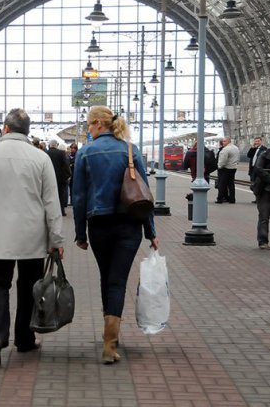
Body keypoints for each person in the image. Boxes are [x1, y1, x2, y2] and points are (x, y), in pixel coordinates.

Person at [0, 108, 64, 368]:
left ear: (5, 129)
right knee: (30, 284)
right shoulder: (40, 158)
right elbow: (52, 202)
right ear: (26, 132)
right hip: (32, 235)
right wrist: (57, 240)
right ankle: (25, 339)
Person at [72, 106, 158, 364]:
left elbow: (78, 197)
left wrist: (79, 233)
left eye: (89, 124)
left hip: (99, 225)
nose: (89, 129)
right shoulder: (130, 150)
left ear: (98, 123)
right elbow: (144, 193)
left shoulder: (85, 153)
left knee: (106, 277)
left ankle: (109, 334)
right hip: (129, 225)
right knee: (118, 281)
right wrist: (150, 231)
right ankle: (111, 341)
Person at [47, 140, 71, 216]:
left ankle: (50, 212)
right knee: (60, 195)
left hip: (48, 178)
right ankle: (61, 211)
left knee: (49, 196)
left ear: (50, 145)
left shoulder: (46, 153)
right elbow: (65, 165)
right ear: (56, 145)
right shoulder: (61, 153)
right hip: (60, 179)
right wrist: (67, 175)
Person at [216, 137, 239, 204]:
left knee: (222, 184)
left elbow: (223, 160)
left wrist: (219, 166)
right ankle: (232, 199)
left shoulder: (225, 149)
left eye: (224, 141)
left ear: (228, 141)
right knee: (231, 184)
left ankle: (220, 199)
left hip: (225, 169)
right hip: (233, 168)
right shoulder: (236, 148)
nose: (223, 142)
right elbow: (238, 158)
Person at [247, 137, 268, 203]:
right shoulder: (253, 149)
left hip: (259, 169)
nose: (257, 142)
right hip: (253, 168)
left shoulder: (264, 149)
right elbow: (249, 155)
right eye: (255, 141)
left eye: (258, 141)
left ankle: (259, 198)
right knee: (253, 184)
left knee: (258, 184)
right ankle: (257, 198)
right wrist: (252, 148)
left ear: (261, 141)